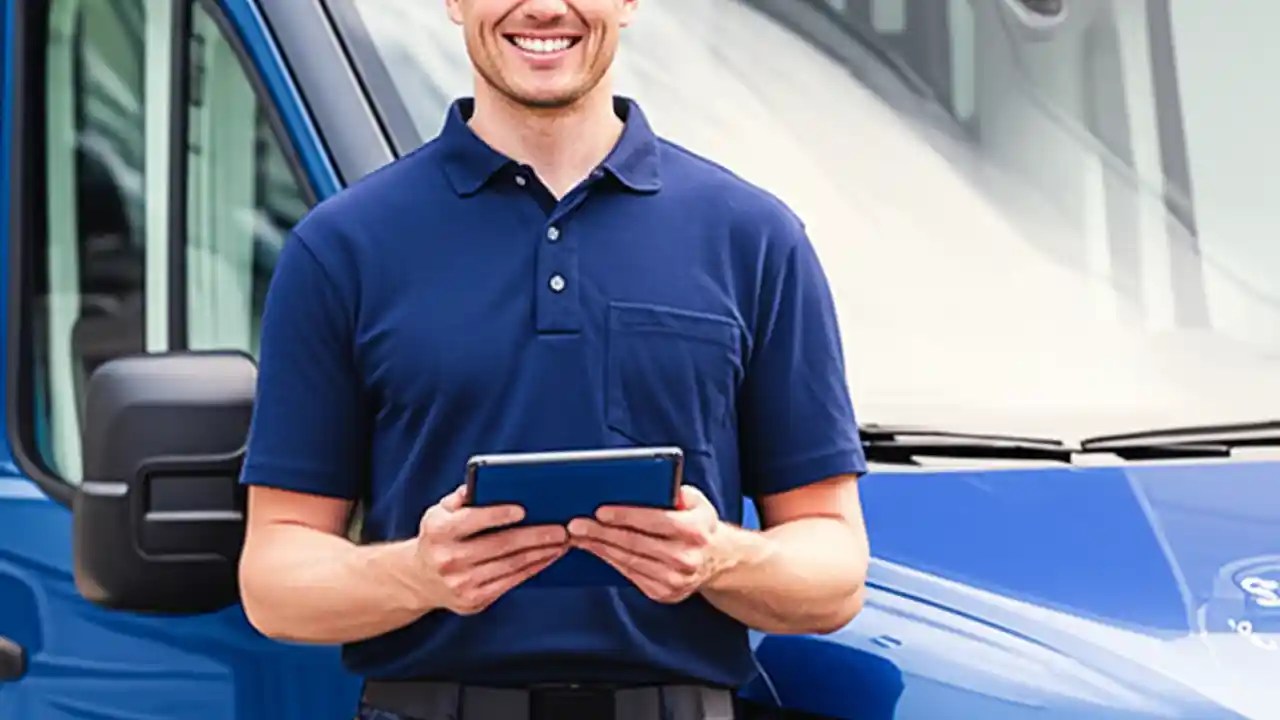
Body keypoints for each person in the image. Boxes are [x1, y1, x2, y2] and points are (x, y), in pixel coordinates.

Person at [235, 1, 871, 718]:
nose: (542, 6)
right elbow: (274, 581)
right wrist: (417, 574)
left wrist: (719, 556)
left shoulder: (755, 240)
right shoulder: (342, 248)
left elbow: (836, 573)